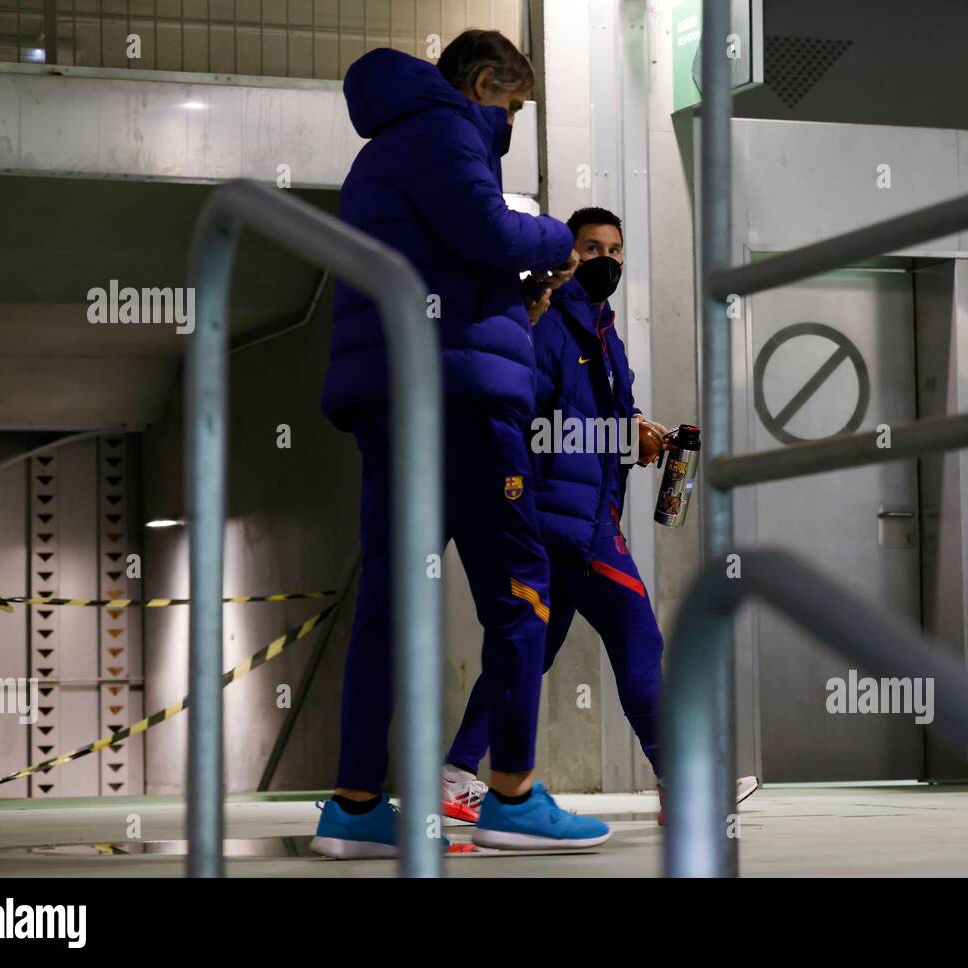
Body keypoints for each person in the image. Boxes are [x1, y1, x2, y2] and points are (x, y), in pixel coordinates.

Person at [313, 31, 610, 858]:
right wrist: (561, 243)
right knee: (520, 593)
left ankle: (357, 804)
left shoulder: (385, 150)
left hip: (400, 396)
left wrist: (515, 308)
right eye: (512, 109)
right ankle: (512, 792)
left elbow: (446, 259)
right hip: (461, 405)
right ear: (484, 84)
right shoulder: (445, 130)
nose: (510, 126)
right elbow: (487, 230)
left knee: (391, 599)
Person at [438, 206, 760, 825]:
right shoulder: (546, 327)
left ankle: (455, 773)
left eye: (615, 250)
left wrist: (636, 435)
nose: (605, 260)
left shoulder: (605, 335)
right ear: (566, 256)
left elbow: (602, 425)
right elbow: (526, 422)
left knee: (526, 652)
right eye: (591, 249)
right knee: (638, 635)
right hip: (563, 521)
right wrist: (609, 437)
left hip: (583, 512)